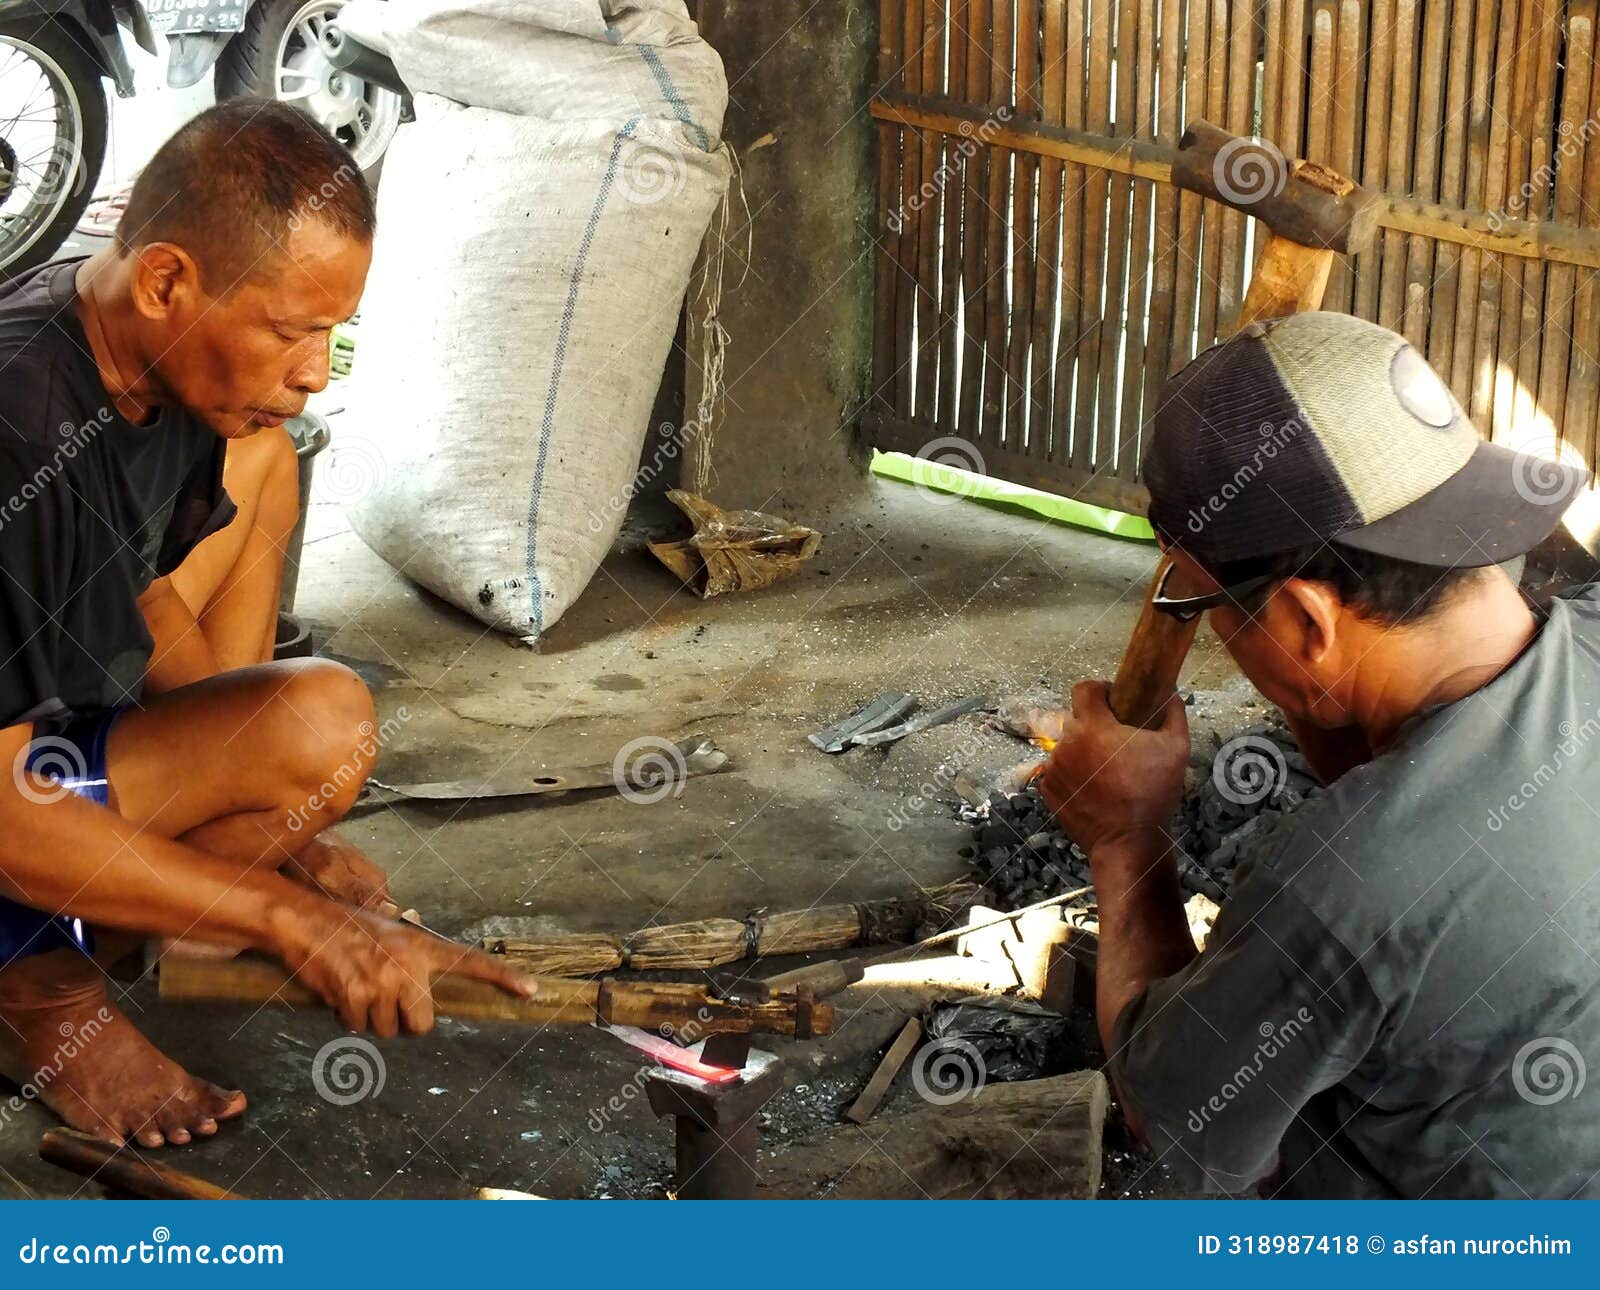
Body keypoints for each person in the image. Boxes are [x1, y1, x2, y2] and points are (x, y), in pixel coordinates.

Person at [0, 102, 530, 1151]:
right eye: (291, 331)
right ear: (163, 282)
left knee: (300, 706)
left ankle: (94, 930)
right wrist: (292, 918)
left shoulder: (146, 360)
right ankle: (40, 998)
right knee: (309, 735)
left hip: (37, 740)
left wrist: (285, 829)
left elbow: (138, 600)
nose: (313, 371)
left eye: (333, 335)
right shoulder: (19, 424)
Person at [1040, 310, 1600, 1198]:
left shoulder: (1346, 885)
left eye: (1207, 614)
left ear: (1305, 620)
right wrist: (1317, 691)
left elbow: (1179, 1129)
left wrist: (1124, 840)